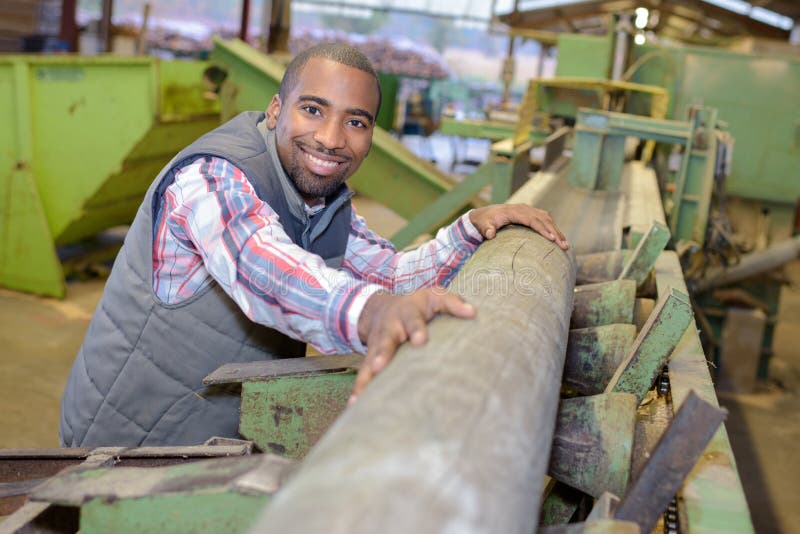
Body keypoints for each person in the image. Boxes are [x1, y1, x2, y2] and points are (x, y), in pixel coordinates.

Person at [59, 43, 568, 448]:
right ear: (277, 109)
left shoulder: (318, 202)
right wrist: (370, 312)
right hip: (122, 445)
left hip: (207, 444)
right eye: (313, 109)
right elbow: (262, 266)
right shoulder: (212, 177)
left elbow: (391, 276)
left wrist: (473, 228)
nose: (331, 138)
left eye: (356, 122)